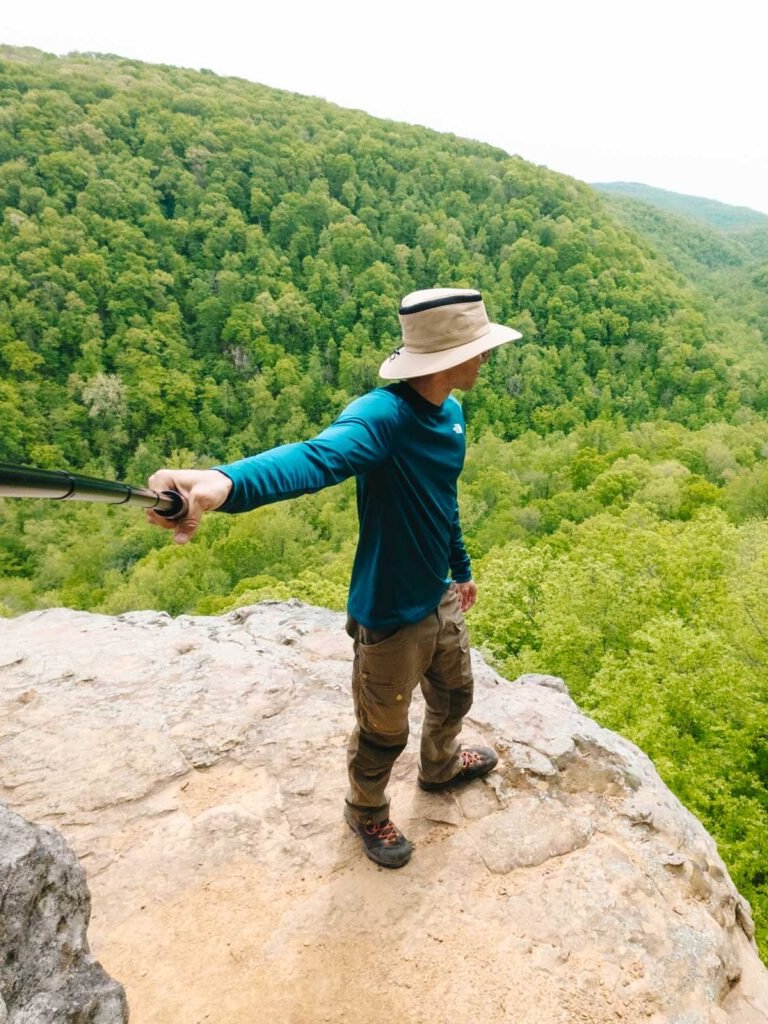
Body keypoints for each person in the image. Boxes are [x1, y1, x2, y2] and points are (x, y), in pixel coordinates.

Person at [144, 288, 521, 869]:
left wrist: (461, 569)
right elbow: (316, 458)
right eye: (479, 348)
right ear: (446, 358)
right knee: (382, 730)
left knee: (455, 695)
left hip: (437, 595)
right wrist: (226, 482)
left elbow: (442, 500)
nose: (486, 358)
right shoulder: (383, 417)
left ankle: (440, 765)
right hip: (392, 613)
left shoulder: (450, 412)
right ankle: (366, 809)